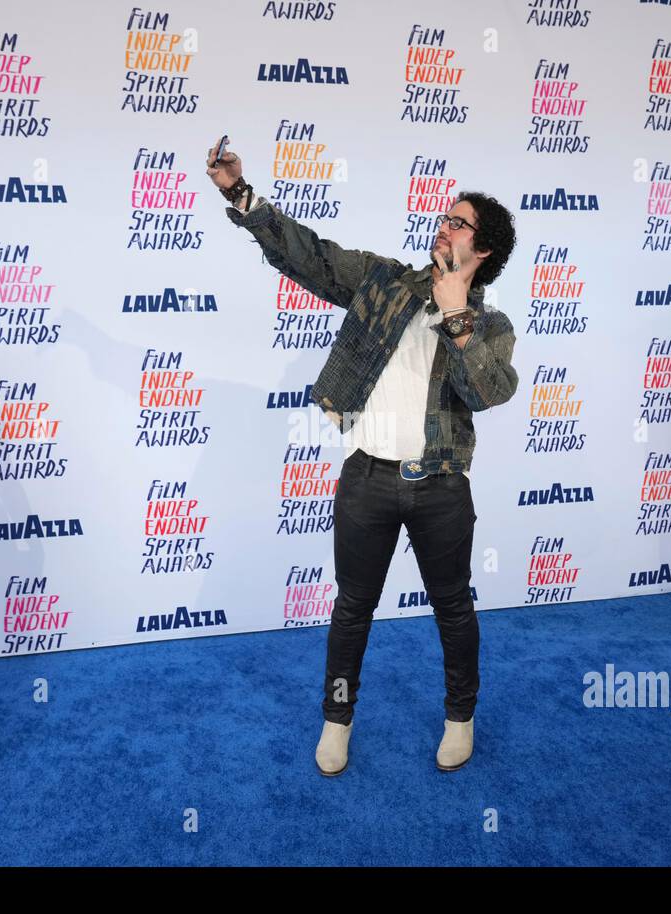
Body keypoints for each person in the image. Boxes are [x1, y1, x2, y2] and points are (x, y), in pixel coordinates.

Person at [206, 138, 518, 775]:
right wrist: (241, 194)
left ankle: (460, 717)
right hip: (366, 477)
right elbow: (310, 256)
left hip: (441, 486)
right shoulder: (385, 282)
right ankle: (337, 718)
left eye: (459, 222)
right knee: (352, 609)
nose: (444, 224)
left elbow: (488, 392)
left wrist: (457, 318)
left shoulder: (491, 326)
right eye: (445, 216)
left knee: (453, 608)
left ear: (482, 250)